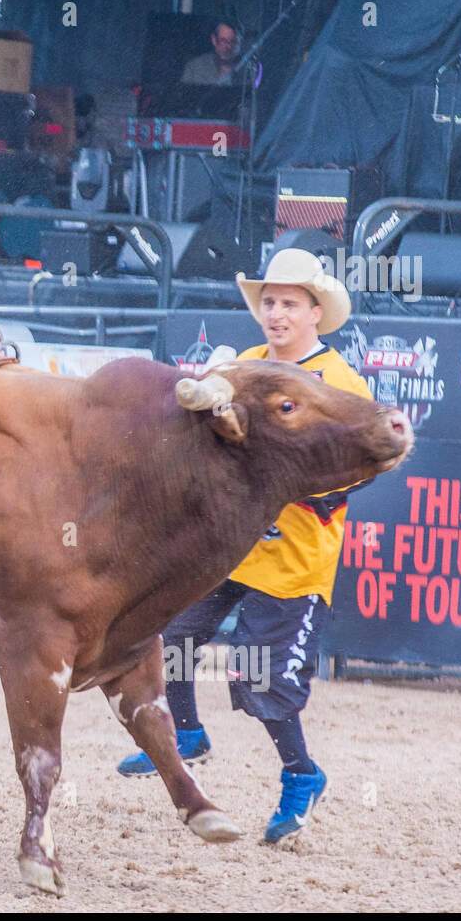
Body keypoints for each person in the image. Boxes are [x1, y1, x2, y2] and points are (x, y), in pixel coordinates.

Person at [116, 248, 374, 844]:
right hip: (228, 545)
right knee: (171, 633)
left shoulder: (338, 381)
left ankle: (301, 774)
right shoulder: (248, 365)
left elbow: (362, 460)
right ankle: (186, 735)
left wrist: (307, 488)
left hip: (294, 560)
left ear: (315, 312)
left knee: (261, 680)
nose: (276, 313)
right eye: (269, 302)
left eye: (288, 303)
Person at [180, 20, 242, 86]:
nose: (228, 47)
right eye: (223, 41)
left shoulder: (250, 71)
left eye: (233, 42)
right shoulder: (194, 68)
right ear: (214, 40)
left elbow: (254, 86)